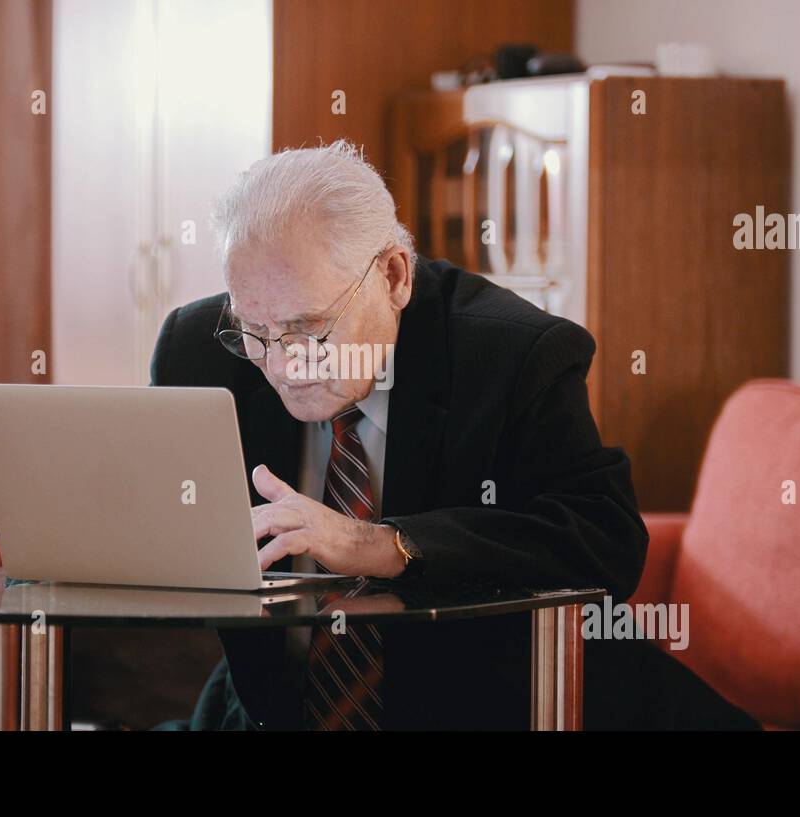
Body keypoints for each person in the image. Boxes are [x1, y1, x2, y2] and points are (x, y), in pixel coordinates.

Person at [150, 140, 758, 731]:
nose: (282, 367)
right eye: (254, 332)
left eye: (310, 329)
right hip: (274, 707)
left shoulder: (513, 354)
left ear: (393, 277)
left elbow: (603, 541)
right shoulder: (197, 350)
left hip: (494, 707)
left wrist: (382, 545)